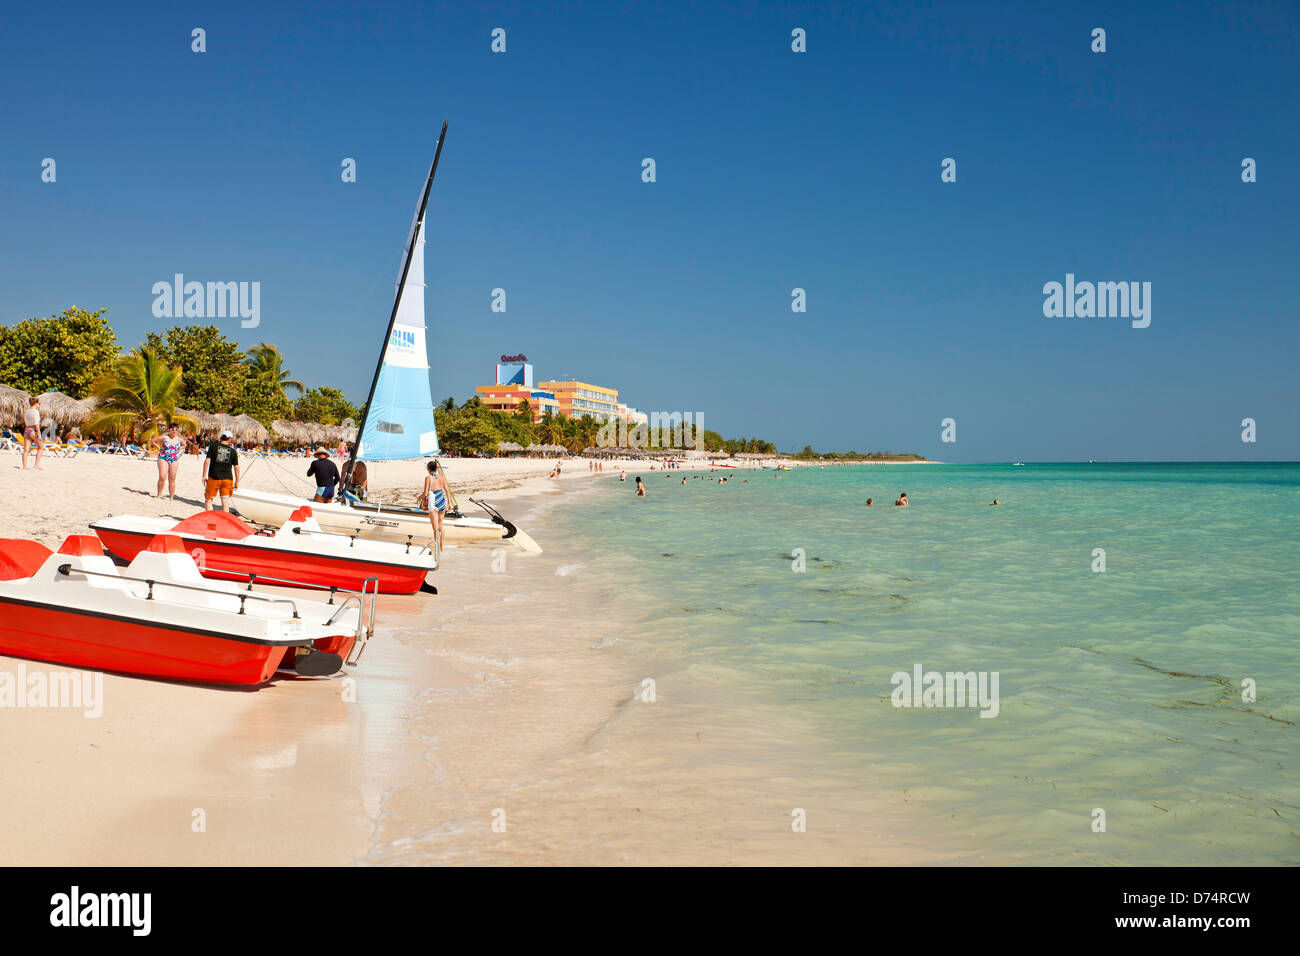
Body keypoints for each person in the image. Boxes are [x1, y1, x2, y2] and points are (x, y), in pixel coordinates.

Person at [202, 430, 240, 511]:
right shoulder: (233, 451)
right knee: (225, 503)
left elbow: (207, 461)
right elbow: (236, 467)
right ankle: (225, 522)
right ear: (229, 439)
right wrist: (237, 481)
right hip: (227, 479)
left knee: (208, 499)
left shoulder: (213, 446)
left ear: (221, 437)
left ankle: (210, 520)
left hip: (214, 477)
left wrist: (204, 475)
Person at [150, 423, 186, 499]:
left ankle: (171, 497)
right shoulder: (165, 437)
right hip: (163, 457)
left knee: (172, 478)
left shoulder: (179, 439)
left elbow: (184, 444)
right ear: (169, 430)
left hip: (174, 459)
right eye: (172, 429)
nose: (174, 431)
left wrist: (180, 448)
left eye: (176, 429)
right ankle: (159, 495)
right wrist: (157, 446)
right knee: (162, 476)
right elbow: (153, 440)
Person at [420, 459, 451, 549]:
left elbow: (425, 494)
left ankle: (437, 547)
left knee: (435, 528)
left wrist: (419, 497)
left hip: (434, 503)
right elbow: (447, 491)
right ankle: (441, 546)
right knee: (440, 525)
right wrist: (449, 503)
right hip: (442, 501)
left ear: (428, 469)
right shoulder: (441, 477)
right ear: (436, 468)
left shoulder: (428, 478)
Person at [21, 397, 43, 470]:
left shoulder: (27, 412)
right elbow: (36, 423)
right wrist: (39, 433)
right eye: (39, 403)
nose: (39, 405)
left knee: (26, 450)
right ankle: (36, 465)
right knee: (41, 447)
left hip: (27, 430)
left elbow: (25, 423)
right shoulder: (35, 412)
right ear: (36, 403)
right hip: (33, 430)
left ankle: (24, 466)